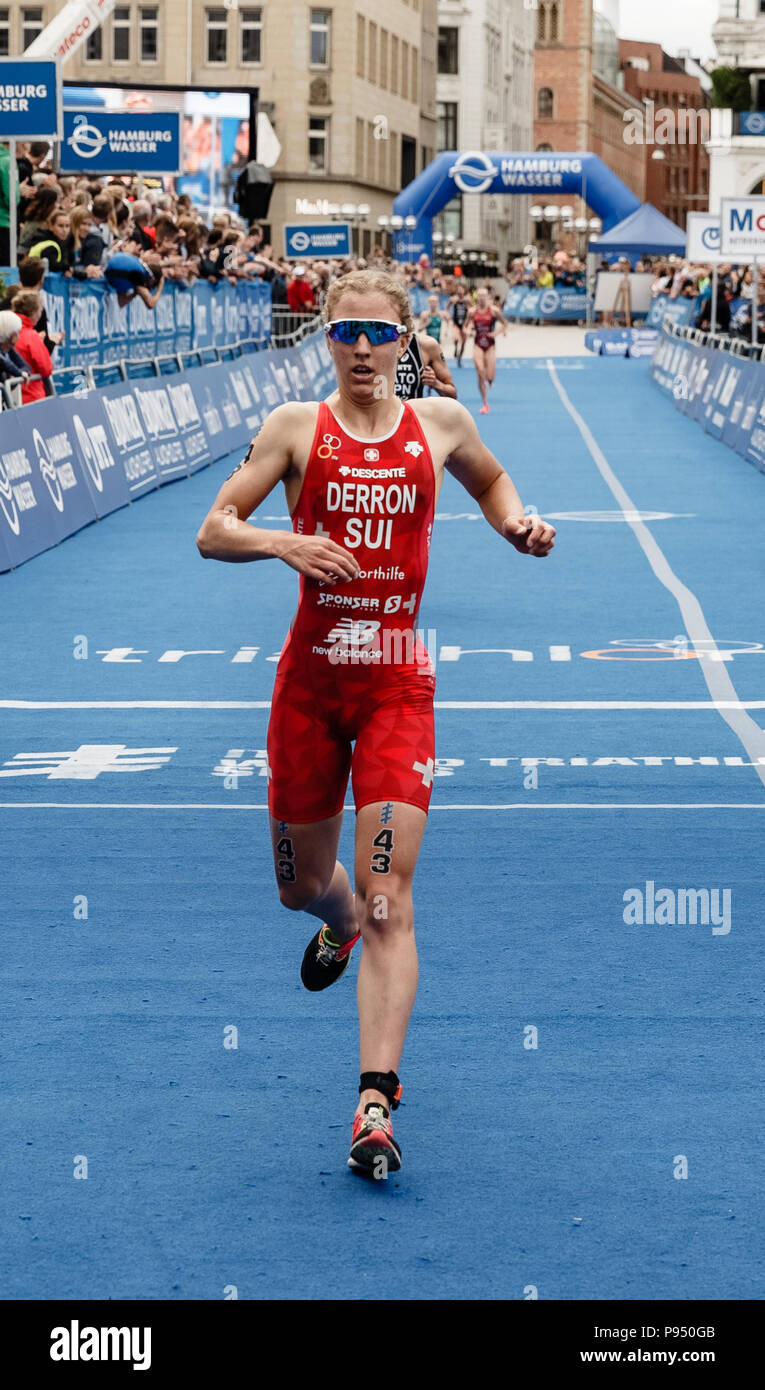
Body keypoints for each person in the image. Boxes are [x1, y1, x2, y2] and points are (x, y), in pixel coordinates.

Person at [194, 268, 556, 1176]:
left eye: (377, 333)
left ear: (404, 341)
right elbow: (213, 528)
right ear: (327, 338)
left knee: (394, 896)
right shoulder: (293, 428)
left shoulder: (438, 425)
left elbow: (494, 482)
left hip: (394, 681)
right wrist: (284, 540)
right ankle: (339, 919)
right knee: (302, 886)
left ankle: (374, 1103)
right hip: (310, 686)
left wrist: (516, 524)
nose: (361, 348)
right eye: (345, 331)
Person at [466, 285, 507, 414]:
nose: (482, 298)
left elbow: (505, 324)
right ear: (477, 297)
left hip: (490, 345)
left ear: (488, 297)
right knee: (479, 370)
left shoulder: (494, 311)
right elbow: (465, 327)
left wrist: (496, 333)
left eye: (484, 295)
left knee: (490, 377)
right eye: (480, 295)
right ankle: (485, 403)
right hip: (478, 344)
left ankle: (488, 381)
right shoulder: (472, 312)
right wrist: (468, 331)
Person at [10, 290, 53, 403]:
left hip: (10, 398)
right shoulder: (31, 336)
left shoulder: (9, 330)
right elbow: (46, 368)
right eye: (40, 311)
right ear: (34, 312)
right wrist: (40, 344)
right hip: (32, 397)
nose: (40, 315)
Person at [448, 283, 471, 366]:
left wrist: (470, 324)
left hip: (464, 324)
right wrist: (448, 316)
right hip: (456, 323)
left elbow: (471, 310)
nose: (460, 291)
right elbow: (447, 308)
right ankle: (455, 348)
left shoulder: (467, 300)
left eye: (462, 289)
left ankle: (460, 358)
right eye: (459, 289)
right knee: (456, 337)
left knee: (464, 342)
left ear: (464, 290)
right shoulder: (453, 299)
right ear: (457, 290)